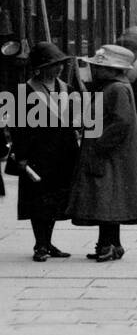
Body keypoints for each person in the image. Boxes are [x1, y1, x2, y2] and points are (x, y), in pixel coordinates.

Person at [66, 44, 137, 262]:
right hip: (112, 154)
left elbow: (121, 122)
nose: (95, 70)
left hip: (109, 156)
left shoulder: (115, 89)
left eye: (100, 66)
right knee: (109, 201)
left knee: (105, 200)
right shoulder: (115, 87)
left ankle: (107, 245)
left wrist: (99, 144)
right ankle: (111, 244)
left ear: (112, 69)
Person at [11, 43, 80, 262]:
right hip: (36, 154)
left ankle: (48, 242)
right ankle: (40, 244)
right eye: (53, 65)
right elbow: (18, 129)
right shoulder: (24, 92)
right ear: (40, 68)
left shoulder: (67, 90)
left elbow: (76, 121)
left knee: (55, 201)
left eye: (59, 64)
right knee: (37, 200)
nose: (58, 68)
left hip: (62, 154)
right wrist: (21, 156)